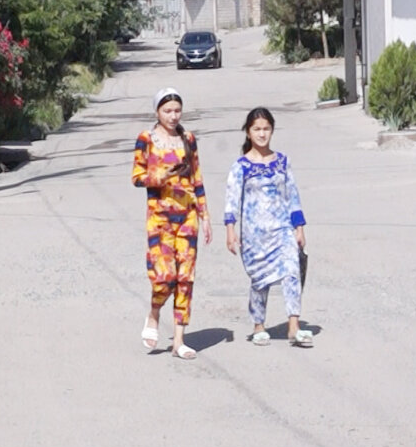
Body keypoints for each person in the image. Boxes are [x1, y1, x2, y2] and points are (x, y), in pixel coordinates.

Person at [132, 87, 212, 359]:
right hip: (159, 217)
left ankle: (179, 340)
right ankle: (154, 312)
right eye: (167, 111)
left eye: (177, 110)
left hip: (187, 215)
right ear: (157, 112)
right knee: (165, 276)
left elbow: (197, 178)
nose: (173, 116)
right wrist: (161, 175)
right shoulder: (146, 139)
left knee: (186, 277)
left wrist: (205, 214)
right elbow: (137, 177)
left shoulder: (188, 139)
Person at [223, 107, 312, 347]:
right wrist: (230, 230)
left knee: (292, 270)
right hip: (254, 235)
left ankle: (294, 324)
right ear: (248, 133)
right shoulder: (240, 166)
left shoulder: (282, 161)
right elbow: (232, 200)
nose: (262, 134)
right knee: (259, 281)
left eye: (266, 129)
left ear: (272, 130)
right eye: (257, 129)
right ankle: (258, 325)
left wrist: (299, 227)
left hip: (282, 229)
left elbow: (292, 194)